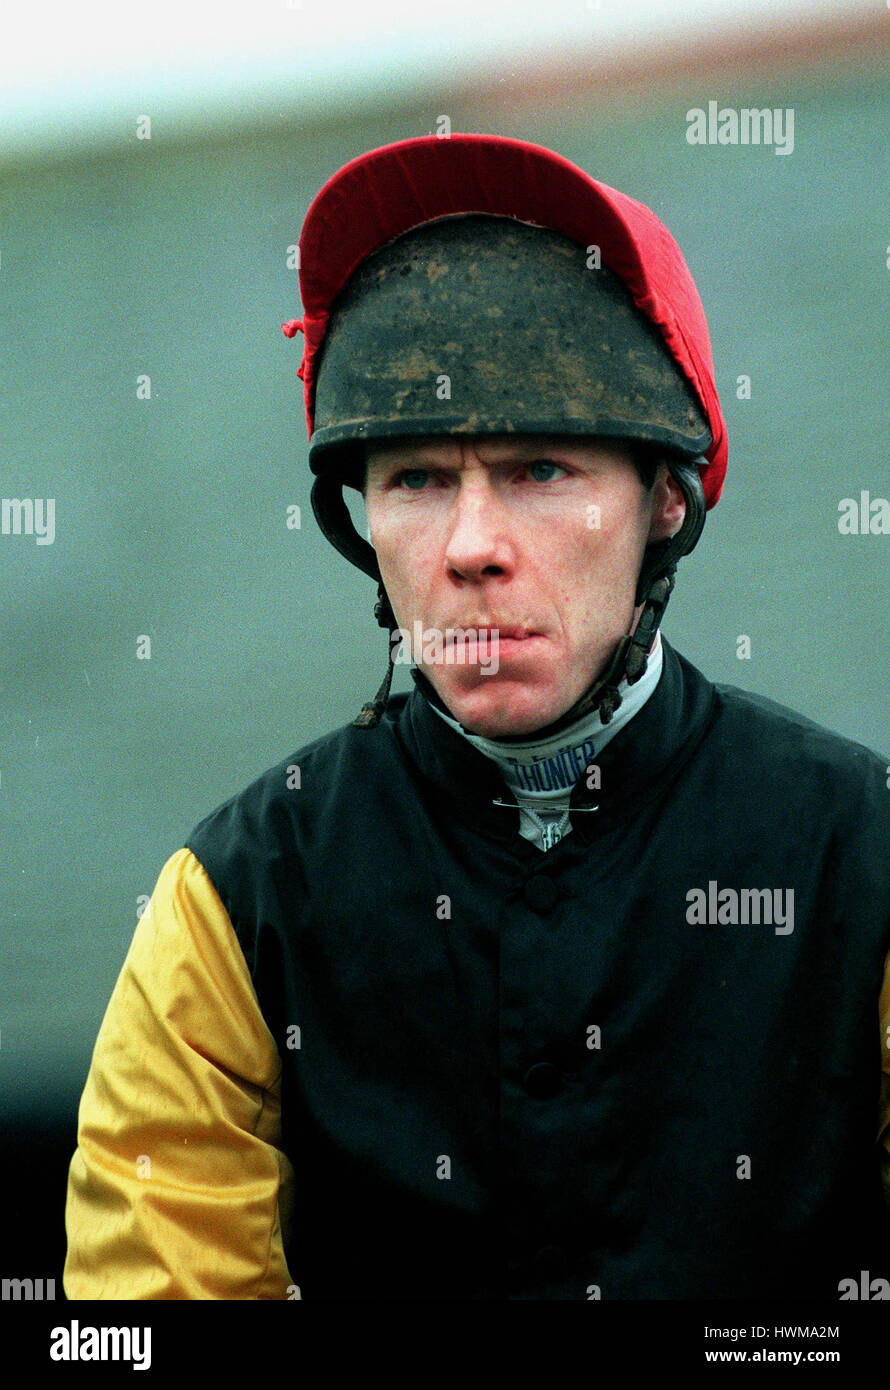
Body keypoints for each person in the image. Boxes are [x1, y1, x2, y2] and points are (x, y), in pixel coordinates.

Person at [64, 133, 890, 1301]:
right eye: (414, 479)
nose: (468, 549)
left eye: (538, 469)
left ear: (664, 499)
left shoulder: (861, 850)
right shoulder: (235, 900)